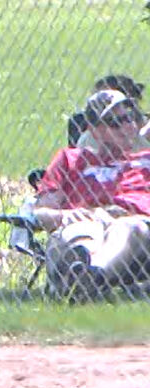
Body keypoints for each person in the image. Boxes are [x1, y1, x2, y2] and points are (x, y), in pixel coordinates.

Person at [29, 89, 150, 298]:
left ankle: (91, 276)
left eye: (129, 117)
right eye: (115, 122)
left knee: (128, 227)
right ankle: (82, 272)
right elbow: (40, 212)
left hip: (132, 224)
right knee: (83, 233)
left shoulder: (146, 161)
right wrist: (63, 216)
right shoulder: (70, 160)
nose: (126, 127)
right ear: (94, 131)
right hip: (85, 220)